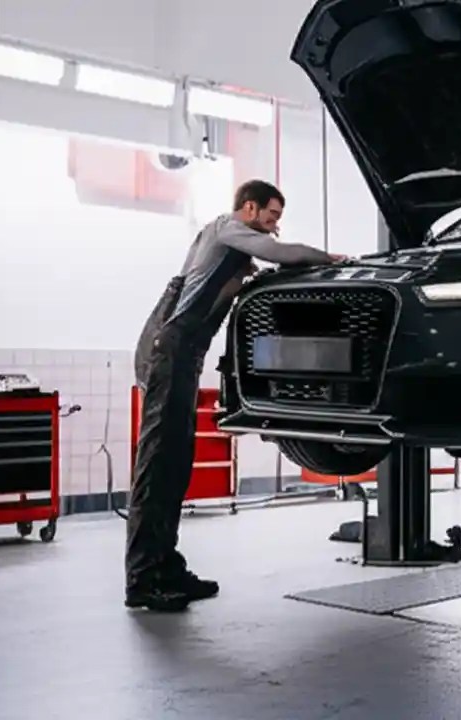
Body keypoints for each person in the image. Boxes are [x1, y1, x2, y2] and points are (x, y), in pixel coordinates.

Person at [126, 179, 345, 612]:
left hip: (182, 355)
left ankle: (166, 567)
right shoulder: (228, 228)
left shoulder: (229, 245)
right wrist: (330, 259)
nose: (274, 227)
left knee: (175, 462)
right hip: (170, 351)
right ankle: (144, 579)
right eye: (271, 216)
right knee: (159, 464)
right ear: (250, 207)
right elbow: (283, 252)